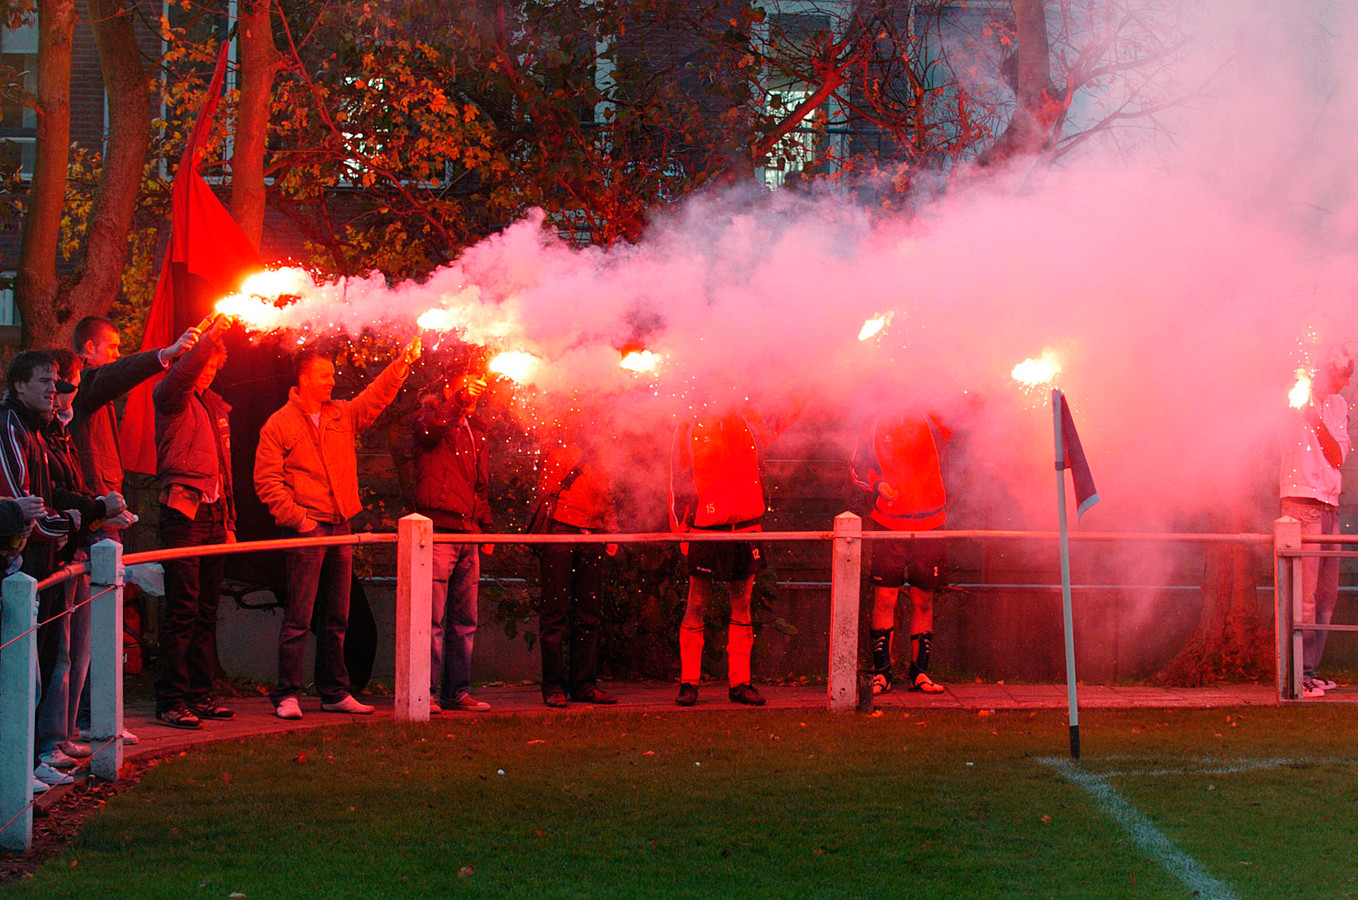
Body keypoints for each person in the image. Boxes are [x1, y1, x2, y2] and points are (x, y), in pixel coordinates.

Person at [255, 338, 421, 720]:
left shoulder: (341, 415)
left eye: (332, 375)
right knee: (299, 618)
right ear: (304, 378)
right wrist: (299, 519)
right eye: (325, 375)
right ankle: (287, 694)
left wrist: (401, 364)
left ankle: (334, 692)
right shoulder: (279, 423)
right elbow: (266, 481)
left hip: (341, 527)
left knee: (337, 618)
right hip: (307, 530)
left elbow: (375, 397)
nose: (332, 381)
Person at [0, 350, 125, 791]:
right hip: (24, 566)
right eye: (45, 382)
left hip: (45, 559)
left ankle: (32, 759)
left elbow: (51, 496)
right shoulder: (12, 428)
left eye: (57, 383)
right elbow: (26, 508)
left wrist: (88, 512)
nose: (54, 391)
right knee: (26, 670)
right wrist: (80, 517)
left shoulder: (40, 428)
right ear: (19, 386)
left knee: (48, 660)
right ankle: (21, 767)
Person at [669, 406, 787, 707]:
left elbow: (764, 461)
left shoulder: (750, 419)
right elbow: (676, 481)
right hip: (705, 529)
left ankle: (740, 683)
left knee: (742, 603)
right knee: (696, 603)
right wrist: (680, 530)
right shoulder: (689, 426)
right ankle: (689, 683)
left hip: (746, 525)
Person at [152, 319, 235, 728]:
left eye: (214, 367)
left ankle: (200, 695)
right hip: (183, 513)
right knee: (182, 610)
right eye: (204, 365)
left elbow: (224, 471)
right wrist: (207, 338)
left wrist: (230, 521)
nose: (208, 373)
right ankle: (171, 700)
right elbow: (181, 376)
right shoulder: (172, 396)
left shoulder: (215, 406)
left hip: (214, 515)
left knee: (206, 611)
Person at [851, 409, 953, 695]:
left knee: (924, 599)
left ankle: (920, 674)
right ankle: (882, 674)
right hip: (889, 522)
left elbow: (964, 441)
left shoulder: (935, 413)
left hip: (931, 522)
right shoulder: (873, 417)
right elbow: (857, 468)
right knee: (885, 597)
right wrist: (878, 485)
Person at [410, 369, 495, 713]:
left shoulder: (476, 431)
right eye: (464, 387)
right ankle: (425, 693)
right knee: (431, 620)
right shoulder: (427, 419)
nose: (472, 393)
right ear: (448, 389)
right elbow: (431, 430)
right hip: (439, 531)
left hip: (468, 532)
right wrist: (458, 400)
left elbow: (479, 484)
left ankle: (456, 692)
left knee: (464, 621)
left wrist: (486, 526)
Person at [1281, 345, 1353, 699]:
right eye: (1342, 375)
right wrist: (1305, 411)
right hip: (1302, 503)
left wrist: (1317, 420)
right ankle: (1298, 674)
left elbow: (1338, 456)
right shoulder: (1294, 398)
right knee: (1304, 598)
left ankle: (1311, 669)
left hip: (1329, 506)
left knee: (1326, 597)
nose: (1346, 383)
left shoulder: (1338, 405)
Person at [532, 415, 619, 708]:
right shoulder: (559, 438)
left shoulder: (603, 449)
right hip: (560, 529)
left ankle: (584, 684)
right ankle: (554, 686)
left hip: (592, 533)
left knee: (589, 615)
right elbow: (546, 487)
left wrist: (611, 529)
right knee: (555, 613)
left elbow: (607, 493)